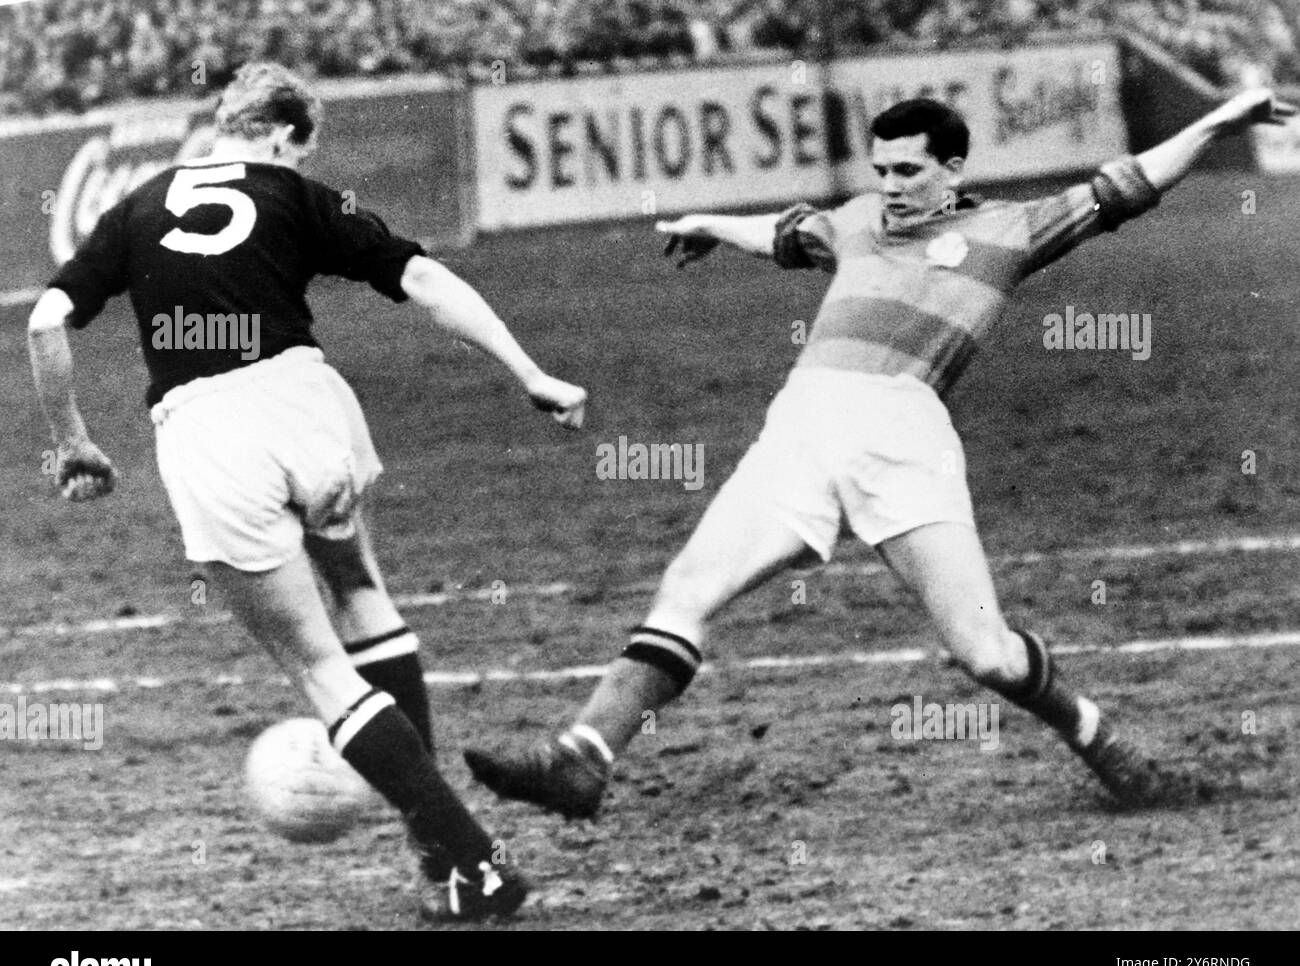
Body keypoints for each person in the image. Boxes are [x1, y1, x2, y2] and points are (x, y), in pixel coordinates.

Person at [464, 89, 1293, 821]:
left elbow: (1128, 186)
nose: (890, 188)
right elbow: (789, 234)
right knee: (685, 590)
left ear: (952, 168)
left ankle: (1102, 741)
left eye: (906, 172)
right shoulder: (858, 219)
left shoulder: (1008, 229)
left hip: (904, 437)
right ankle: (583, 757)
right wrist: (712, 224)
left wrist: (1220, 121)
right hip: (802, 424)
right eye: (881, 170)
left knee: (988, 654)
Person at [26, 61, 588, 921]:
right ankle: (440, 861)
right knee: (363, 595)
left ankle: (472, 862)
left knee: (320, 668)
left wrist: (73, 441)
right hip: (309, 406)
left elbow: (44, 321)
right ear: (286, 135)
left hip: (210, 429)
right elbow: (425, 279)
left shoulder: (137, 207)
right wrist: (531, 372)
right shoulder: (302, 196)